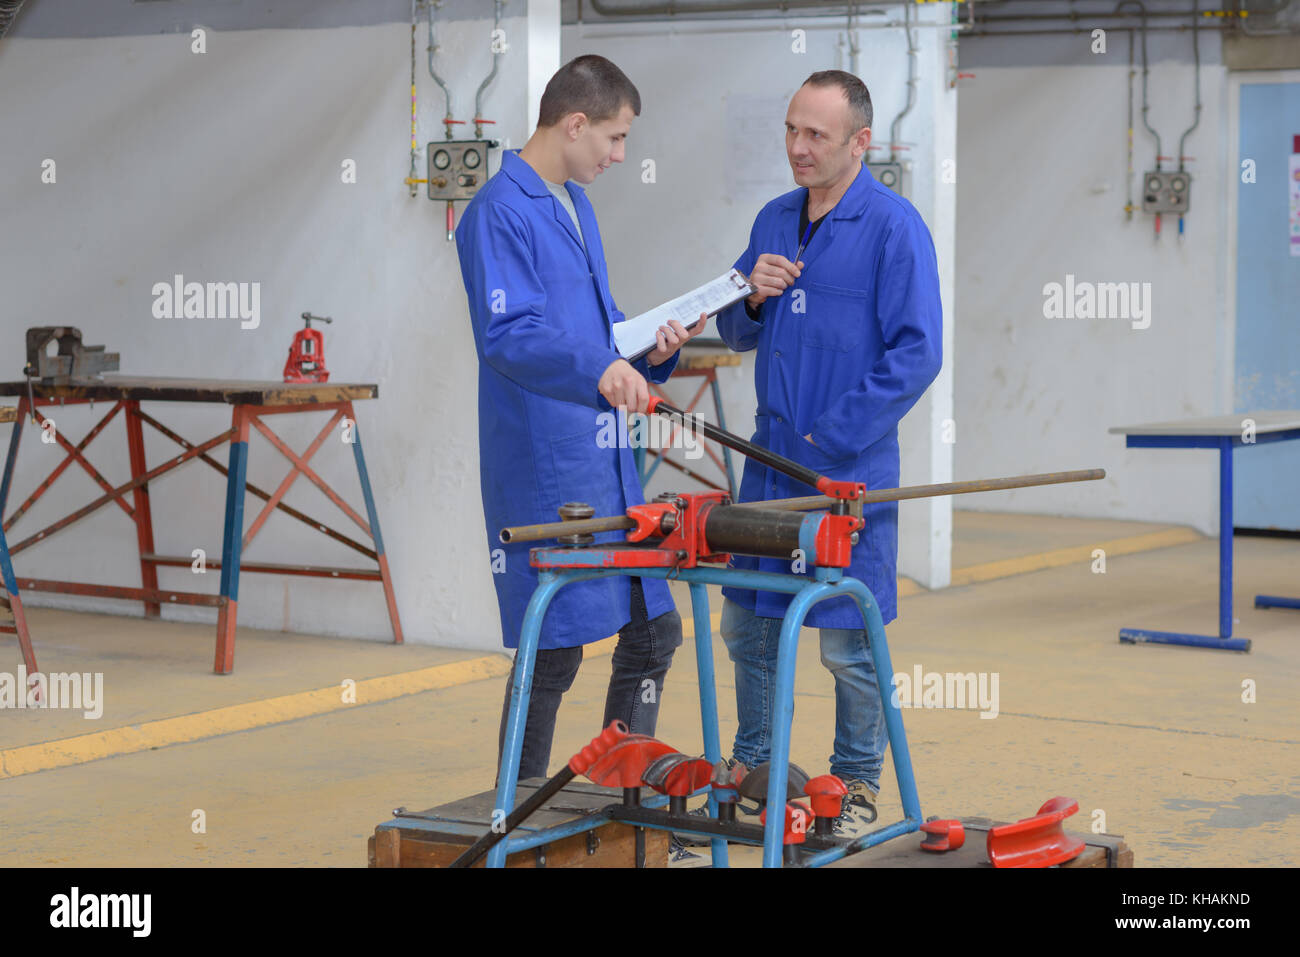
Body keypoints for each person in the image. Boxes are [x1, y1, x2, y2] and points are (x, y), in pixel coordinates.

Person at [455, 55, 706, 785]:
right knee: (554, 645)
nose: (621, 155)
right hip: (546, 458)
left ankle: (616, 786)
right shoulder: (498, 211)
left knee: (653, 629)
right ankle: (518, 805)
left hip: (605, 456)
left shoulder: (571, 201)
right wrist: (597, 368)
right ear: (574, 124)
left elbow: (592, 321)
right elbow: (509, 336)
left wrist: (645, 348)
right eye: (615, 137)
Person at [713, 70, 942, 836]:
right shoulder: (775, 219)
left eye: (816, 135)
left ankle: (857, 783)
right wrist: (752, 296)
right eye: (791, 130)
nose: (799, 148)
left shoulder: (893, 227)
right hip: (766, 461)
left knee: (848, 641)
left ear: (860, 142)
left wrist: (831, 437)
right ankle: (757, 770)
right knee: (749, 623)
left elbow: (917, 354)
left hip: (847, 468)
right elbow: (739, 334)